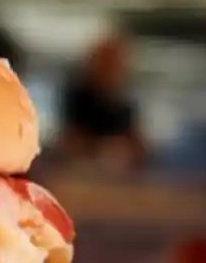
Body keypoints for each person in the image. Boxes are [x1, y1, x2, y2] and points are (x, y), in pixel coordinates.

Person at [59, 34, 146, 169]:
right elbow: (71, 141)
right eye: (106, 62)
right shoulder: (78, 98)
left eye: (114, 63)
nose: (111, 69)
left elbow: (137, 145)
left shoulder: (123, 101)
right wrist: (100, 150)